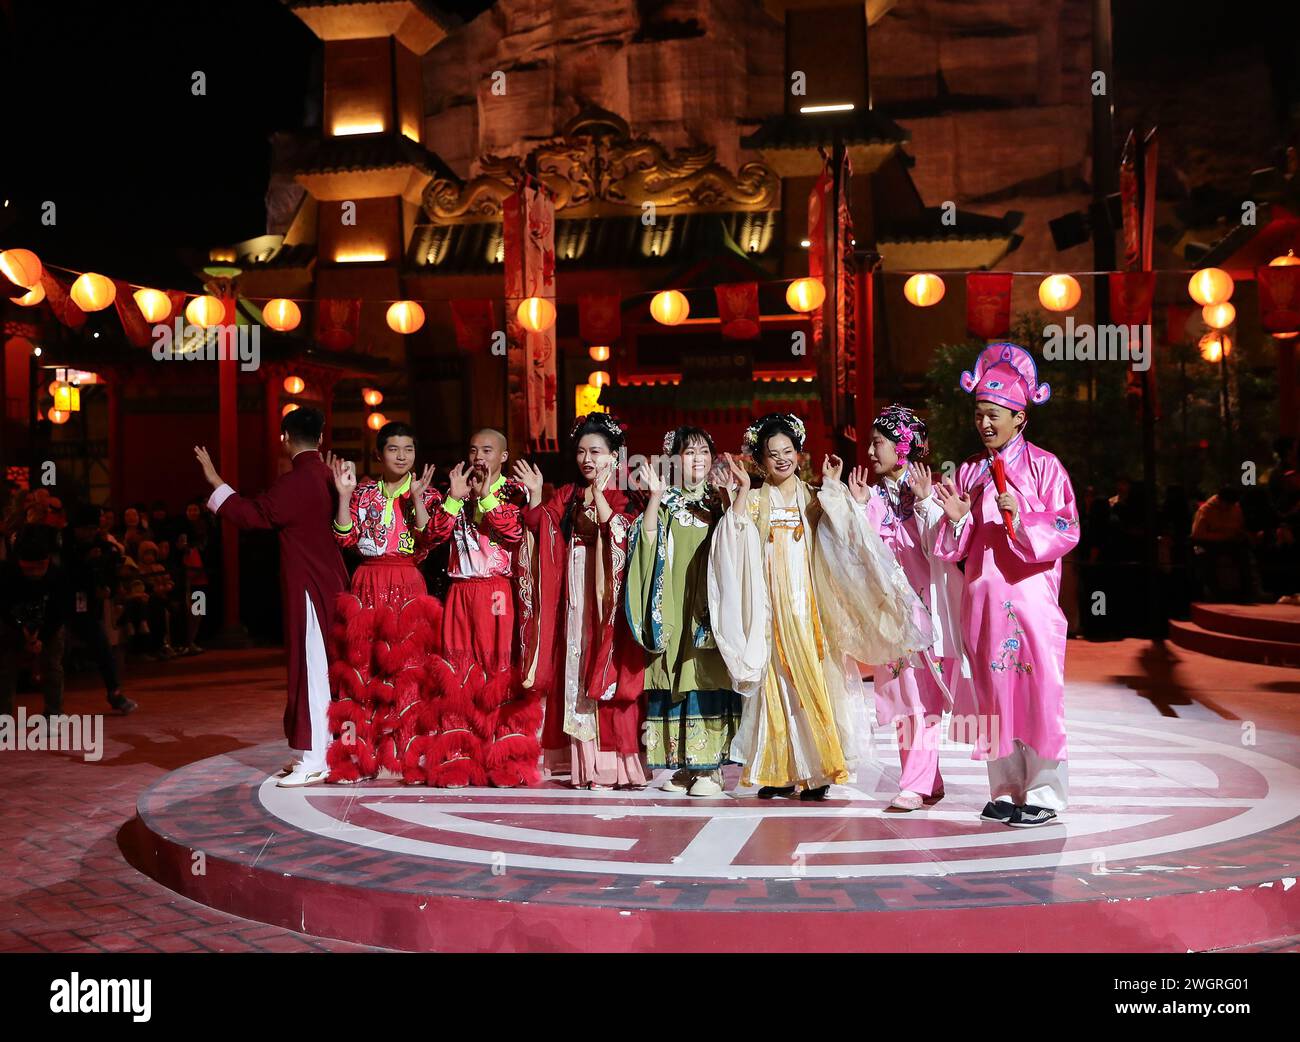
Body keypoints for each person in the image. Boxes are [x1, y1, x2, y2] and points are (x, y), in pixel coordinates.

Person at [708, 413, 932, 801]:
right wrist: (741, 493)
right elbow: (734, 542)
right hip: (772, 610)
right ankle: (779, 771)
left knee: (816, 684)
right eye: (773, 453)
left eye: (789, 451)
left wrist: (832, 487)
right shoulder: (757, 500)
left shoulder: (813, 497)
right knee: (776, 686)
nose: (782, 460)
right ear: (761, 458)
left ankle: (819, 771)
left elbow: (846, 535)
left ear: (799, 452)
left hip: (810, 608)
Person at [933, 342, 1080, 828]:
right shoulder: (971, 470)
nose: (985, 423)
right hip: (984, 598)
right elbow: (954, 549)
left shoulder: (1046, 467)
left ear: (1020, 417)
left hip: (1030, 601)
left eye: (994, 414)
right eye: (979, 414)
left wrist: (1022, 519)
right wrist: (955, 521)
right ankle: (1005, 789)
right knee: (993, 693)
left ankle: (1044, 792)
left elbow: (1067, 528)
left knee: (1037, 692)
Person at [194, 406, 349, 787]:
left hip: (310, 587)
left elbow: (252, 516)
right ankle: (324, 752)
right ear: (321, 437)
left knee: (311, 671)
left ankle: (316, 758)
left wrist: (215, 480)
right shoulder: (327, 475)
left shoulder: (295, 481)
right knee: (323, 669)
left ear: (283, 438)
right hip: (331, 582)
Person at [512, 413, 647, 789]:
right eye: (582, 452)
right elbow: (540, 524)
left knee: (603, 668)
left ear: (615, 455)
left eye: (597, 452)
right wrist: (537, 494)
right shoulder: (570, 493)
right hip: (575, 593)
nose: (588, 459)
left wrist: (602, 497)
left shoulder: (626, 492)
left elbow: (621, 531)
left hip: (607, 596)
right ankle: (585, 766)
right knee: (576, 664)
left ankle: (615, 767)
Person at [846, 404, 971, 811]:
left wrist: (923, 505)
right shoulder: (875, 496)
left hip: (928, 611)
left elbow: (946, 547)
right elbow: (865, 555)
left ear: (902, 447)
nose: (869, 451)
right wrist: (860, 509)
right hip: (893, 614)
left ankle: (914, 783)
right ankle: (926, 780)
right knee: (903, 698)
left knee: (924, 699)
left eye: (878, 442)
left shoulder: (933, 492)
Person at [625, 426, 742, 796]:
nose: (698, 458)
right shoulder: (668, 501)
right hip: (674, 603)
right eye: (690, 452)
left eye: (704, 452)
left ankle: (710, 769)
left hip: (708, 608)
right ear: (674, 459)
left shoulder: (718, 500)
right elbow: (644, 542)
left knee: (704, 674)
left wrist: (733, 500)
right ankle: (686, 767)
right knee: (674, 674)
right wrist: (655, 499)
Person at [325, 420, 444, 784]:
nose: (402, 456)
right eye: (394, 449)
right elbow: (345, 540)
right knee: (362, 667)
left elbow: (430, 537)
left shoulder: (427, 492)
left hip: (408, 581)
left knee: (409, 669)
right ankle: (357, 758)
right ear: (379, 454)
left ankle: (411, 758)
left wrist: (420, 499)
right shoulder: (362, 492)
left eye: (408, 449)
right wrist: (343, 497)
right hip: (367, 580)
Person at [432, 428, 541, 787]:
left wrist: (484, 499)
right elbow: (432, 536)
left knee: (499, 672)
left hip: (497, 590)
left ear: (503, 456)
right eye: (474, 449)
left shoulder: (514, 490)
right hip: (460, 590)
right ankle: (459, 759)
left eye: (488, 450)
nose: (479, 457)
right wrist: (453, 499)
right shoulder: (456, 489)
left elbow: (512, 534)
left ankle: (506, 759)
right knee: (458, 670)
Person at [65, 505, 136, 713]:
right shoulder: (64, 543)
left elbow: (108, 570)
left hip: (87, 605)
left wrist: (107, 587)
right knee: (56, 657)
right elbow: (64, 575)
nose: (89, 532)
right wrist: (85, 563)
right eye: (85, 528)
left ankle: (115, 692)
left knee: (102, 646)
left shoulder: (99, 545)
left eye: (93, 528)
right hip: (58, 604)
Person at [0, 530, 69, 718]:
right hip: (13, 624)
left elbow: (60, 611)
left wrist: (42, 637)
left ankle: (54, 714)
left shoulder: (57, 575)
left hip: (48, 623)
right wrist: (21, 629)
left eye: (40, 567)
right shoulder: (6, 573)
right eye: (28, 569)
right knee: (6, 668)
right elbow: (4, 607)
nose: (35, 574)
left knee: (53, 666)